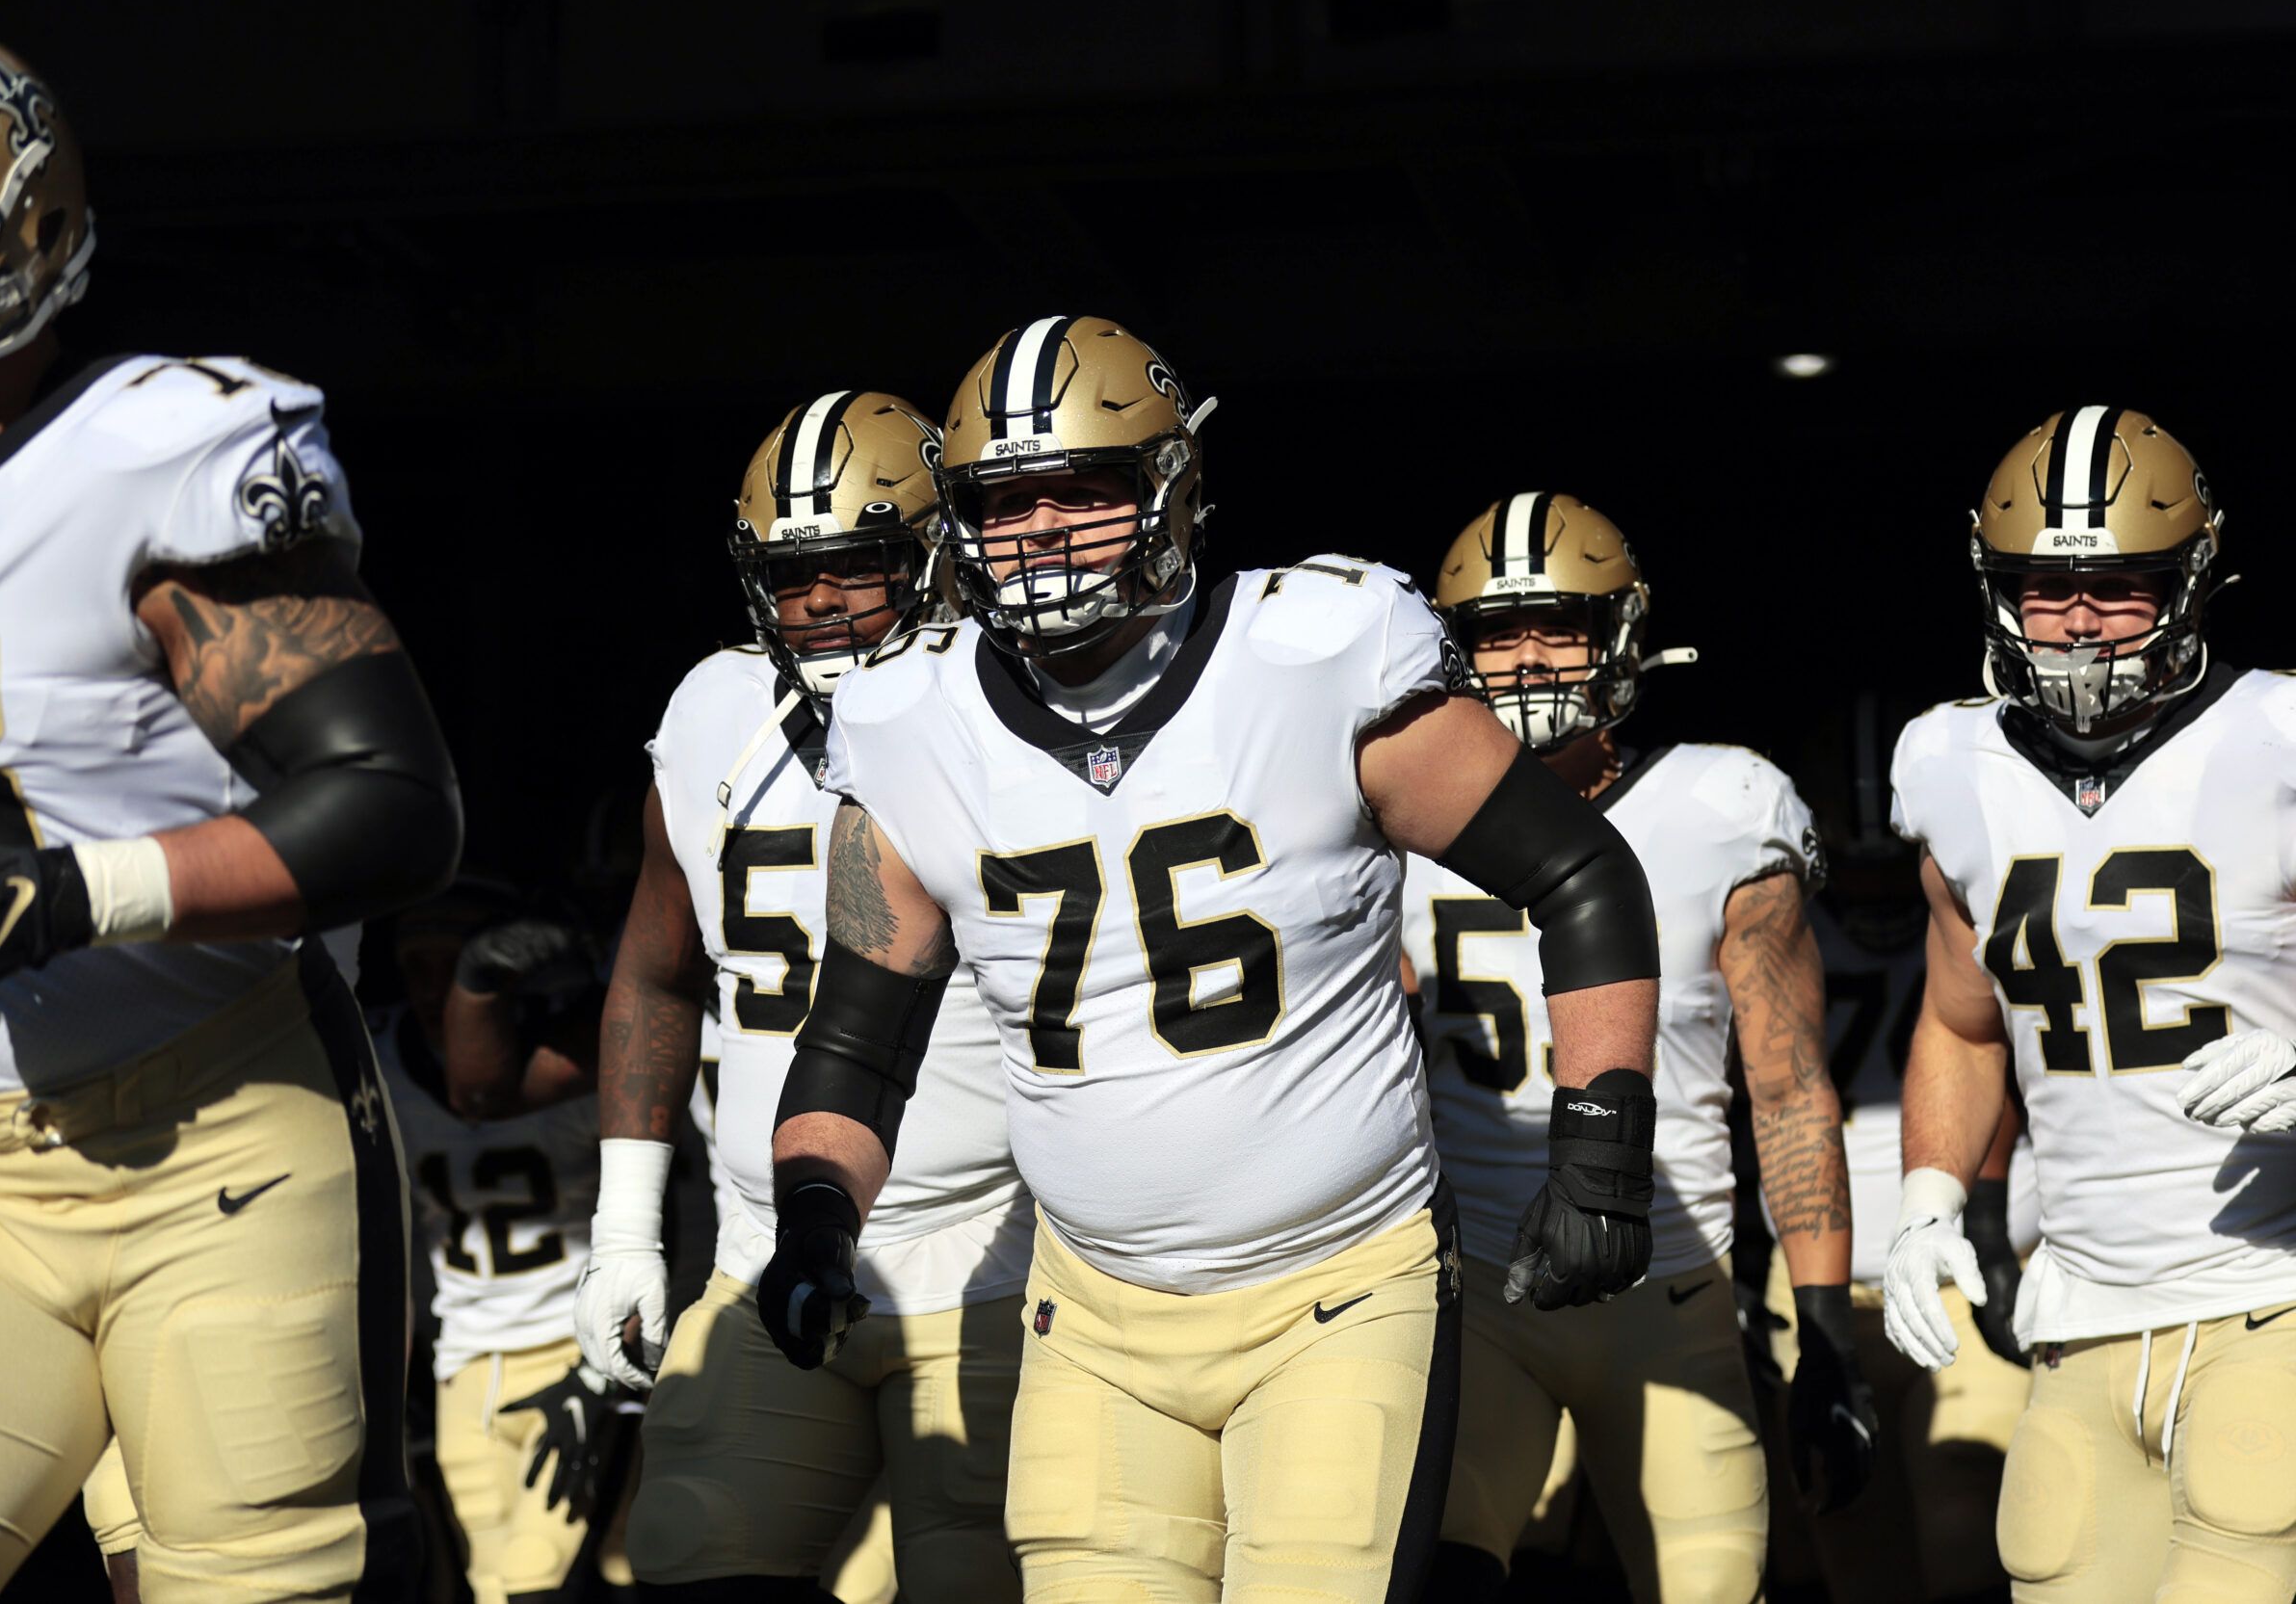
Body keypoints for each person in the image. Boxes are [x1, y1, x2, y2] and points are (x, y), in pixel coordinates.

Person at [769, 316, 1664, 1603]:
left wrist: (1601, 1152)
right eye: (1008, 501)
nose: (1043, 531)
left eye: (1083, 488)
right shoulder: (906, 721)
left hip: (1340, 1285)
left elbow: (1580, 876)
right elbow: (858, 1038)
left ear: (1172, 488)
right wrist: (814, 1220)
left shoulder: (1314, 653)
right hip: (1092, 1315)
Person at [0, 19, 461, 1603]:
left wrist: (73, 892)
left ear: (14, 221)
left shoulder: (155, 448)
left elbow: (390, 804)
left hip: (217, 1139)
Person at [581, 391, 1028, 1599]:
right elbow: (658, 972)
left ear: (937, 560)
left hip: (993, 1261)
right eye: (790, 573)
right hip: (764, 1249)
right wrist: (624, 1230)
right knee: (690, 1554)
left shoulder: (1018, 710)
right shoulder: (711, 711)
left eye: (855, 565)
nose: (819, 600)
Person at [1401, 493, 1868, 1602]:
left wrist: (1823, 1328)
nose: (1525, 657)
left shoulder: (1722, 802)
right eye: (1495, 632)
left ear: (1619, 636)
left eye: (1556, 626)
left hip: (1668, 1285)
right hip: (1470, 1285)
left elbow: (1789, 1090)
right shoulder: (1390, 814)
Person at [1886, 407, 2296, 1601]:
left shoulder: (2277, 738)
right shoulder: (1948, 763)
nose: (2076, 620)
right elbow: (1960, 1019)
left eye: (2117, 586)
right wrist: (1927, 1199)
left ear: (2191, 580)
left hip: (2270, 1296)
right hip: (2077, 1310)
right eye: (2044, 587)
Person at [1748, 691, 2034, 1604]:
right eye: (1856, 867)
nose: (1874, 892)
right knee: (1850, 1540)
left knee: (1967, 1518)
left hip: (1965, 1270)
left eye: (1890, 865)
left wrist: (1991, 1223)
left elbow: (2012, 1060)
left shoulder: (1974, 905)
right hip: (1820, 1284)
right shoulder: (1769, 928)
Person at [395, 877, 636, 1604]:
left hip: (571, 1351)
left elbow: (662, 1214)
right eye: (417, 968)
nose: (434, 991)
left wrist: (614, 1363)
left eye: (453, 967)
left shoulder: (574, 1062)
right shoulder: (383, 1063)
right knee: (492, 1587)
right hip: (463, 1366)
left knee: (539, 1581)